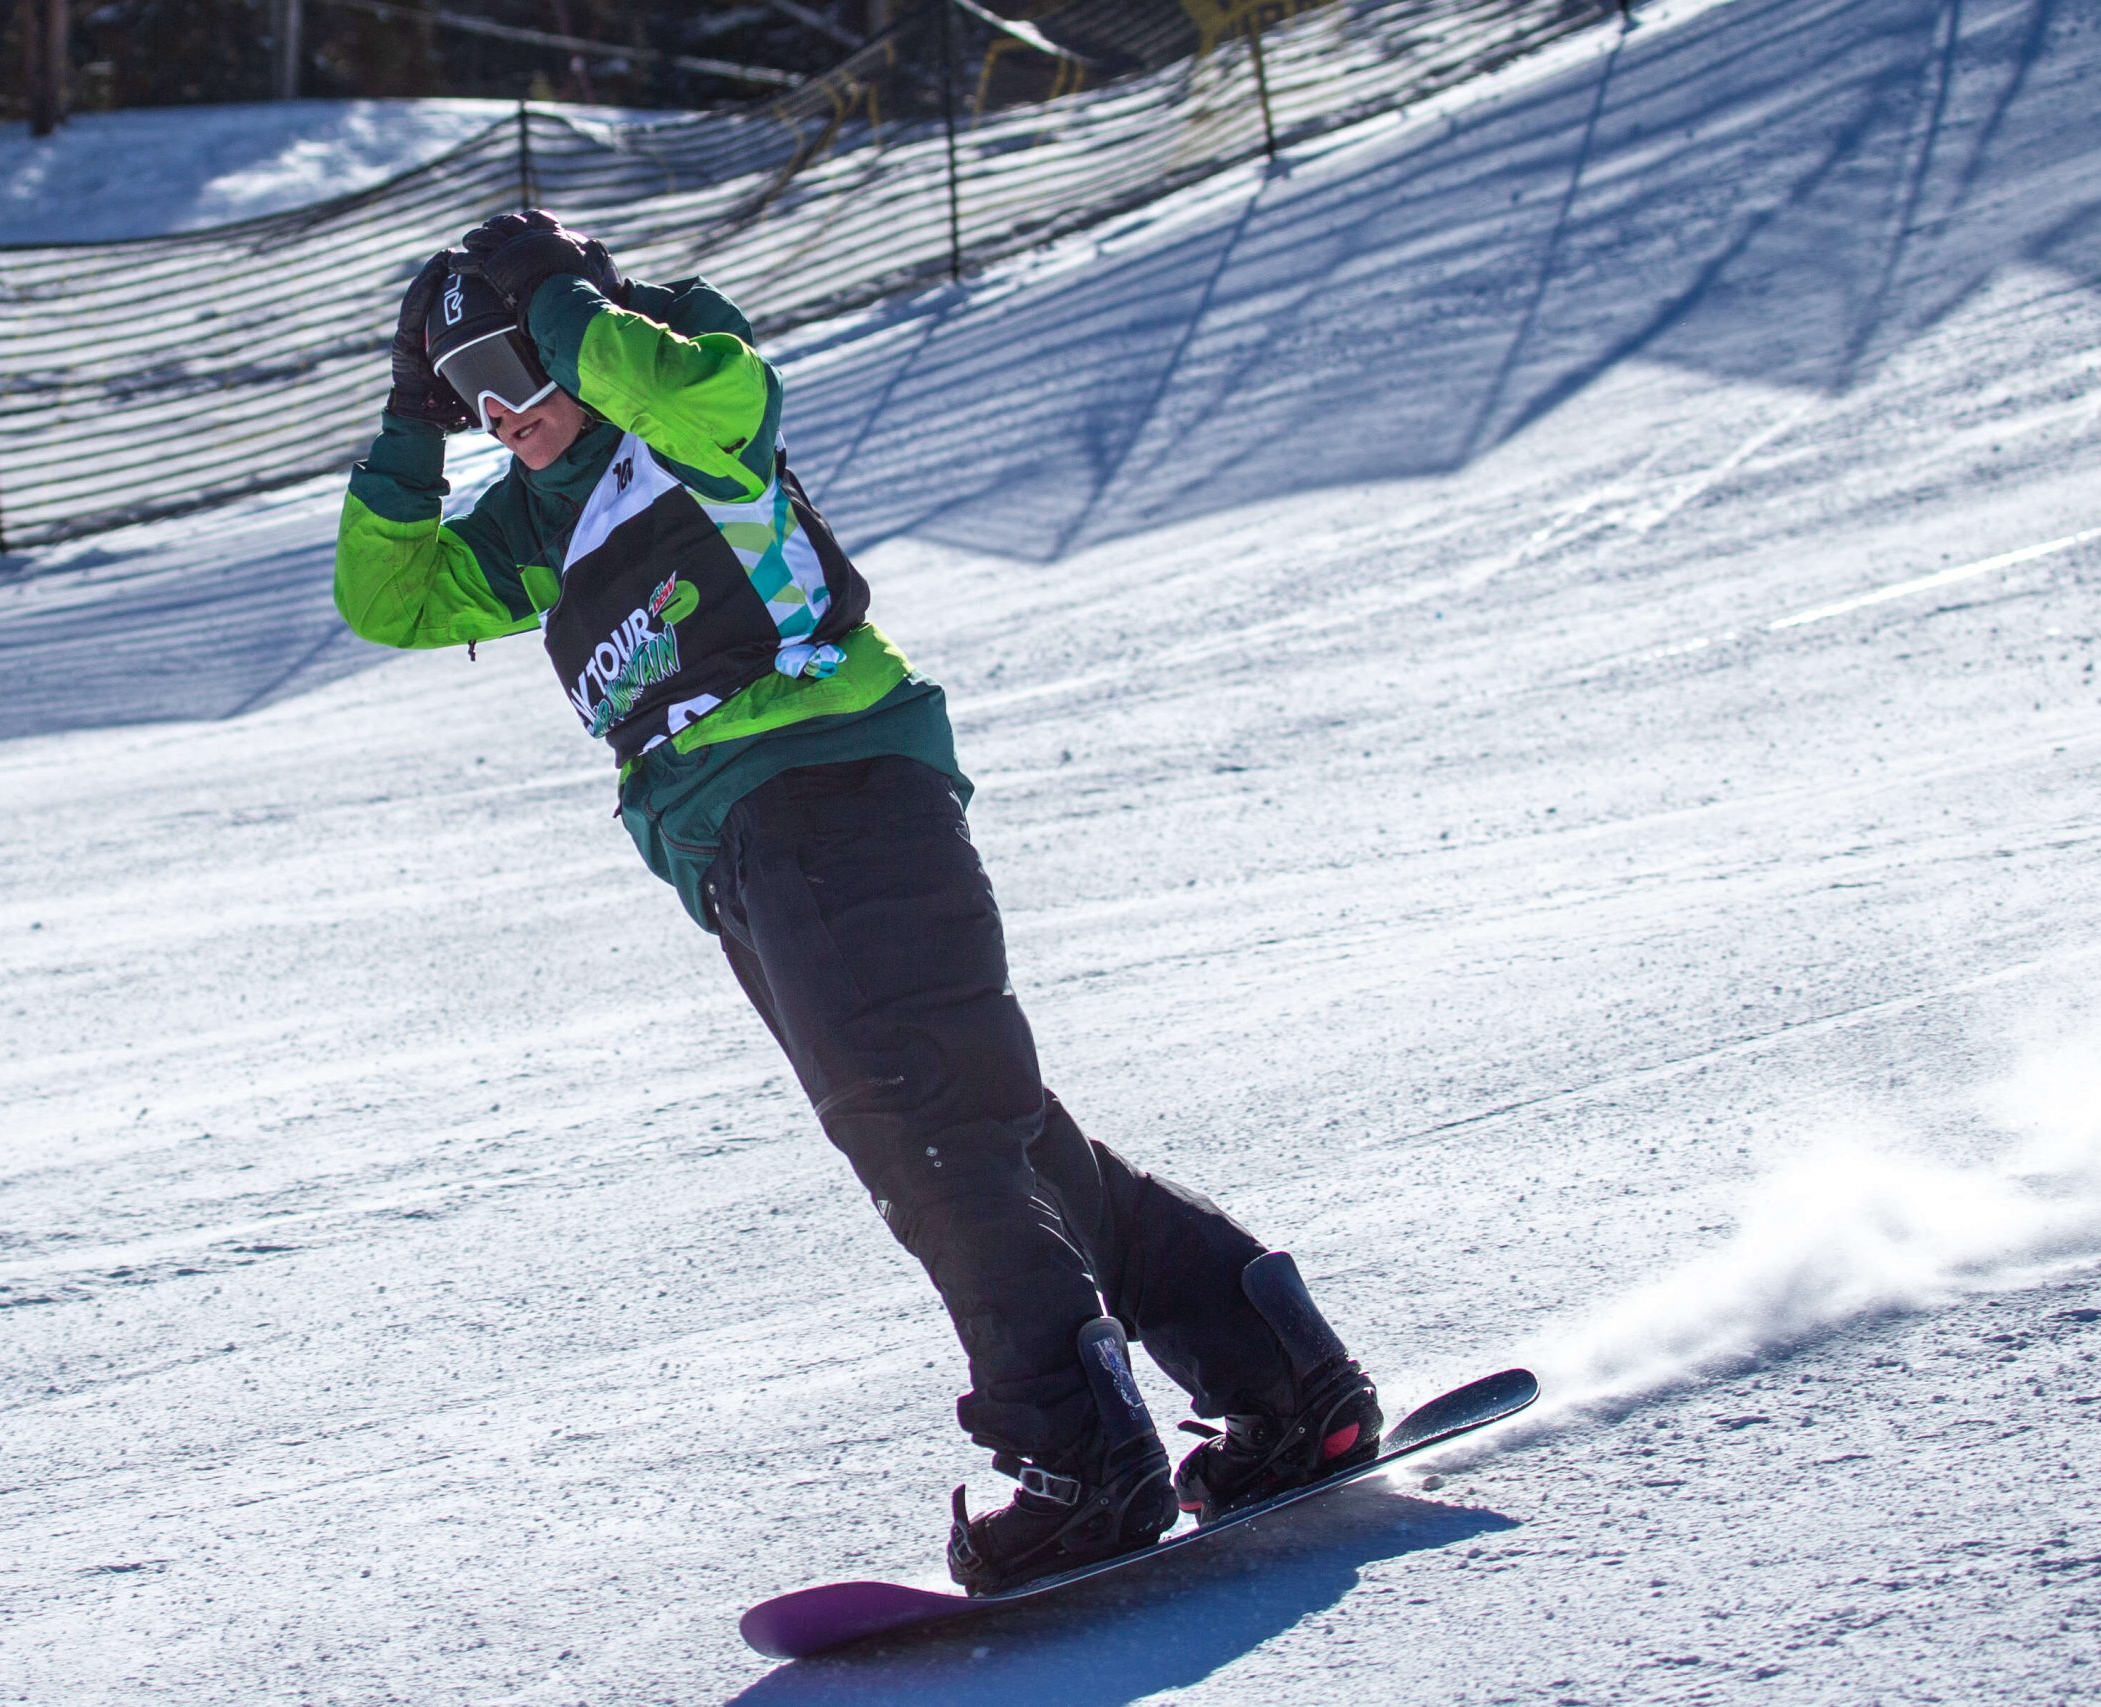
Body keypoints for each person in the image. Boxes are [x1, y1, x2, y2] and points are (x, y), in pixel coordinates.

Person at [331, 210, 1382, 1592]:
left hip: (833, 795)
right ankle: (1284, 1383)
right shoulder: (531, 526)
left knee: (926, 1132)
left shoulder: (687, 423)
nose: (509, 415)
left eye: (521, 373)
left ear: (581, 340)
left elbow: (693, 380)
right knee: (994, 1132)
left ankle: (1081, 1456)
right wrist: (410, 428)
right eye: (476, 395)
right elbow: (387, 598)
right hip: (739, 853)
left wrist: (574, 316)